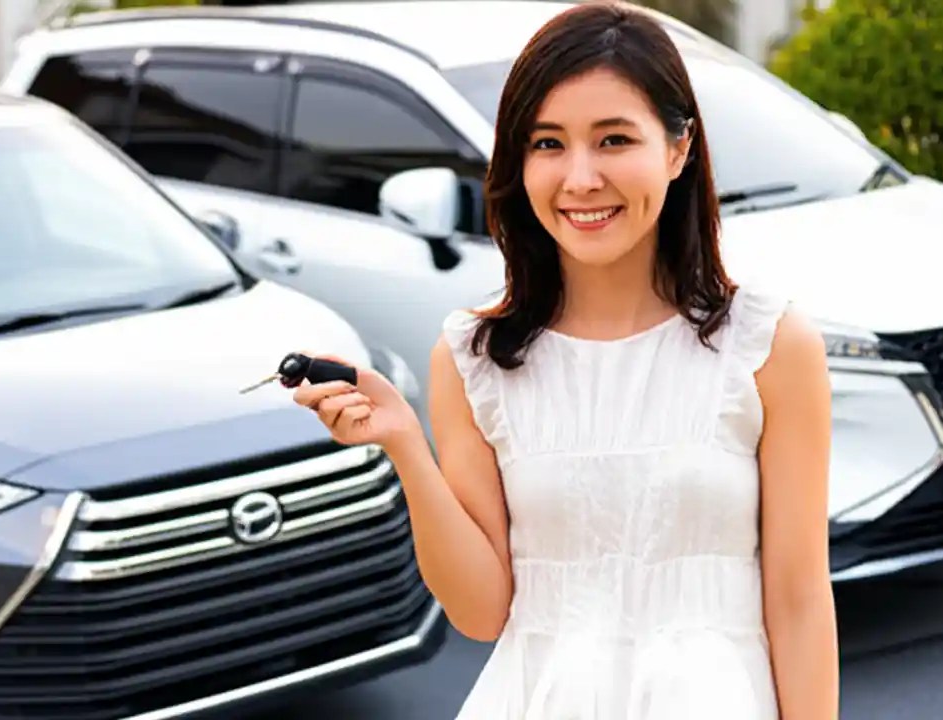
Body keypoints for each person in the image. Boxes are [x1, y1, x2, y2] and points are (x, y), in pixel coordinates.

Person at [293, 1, 840, 718]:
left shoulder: (769, 344)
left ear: (678, 150)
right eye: (547, 144)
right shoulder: (475, 359)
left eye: (614, 140)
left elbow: (799, 602)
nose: (579, 178)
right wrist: (403, 444)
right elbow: (483, 614)